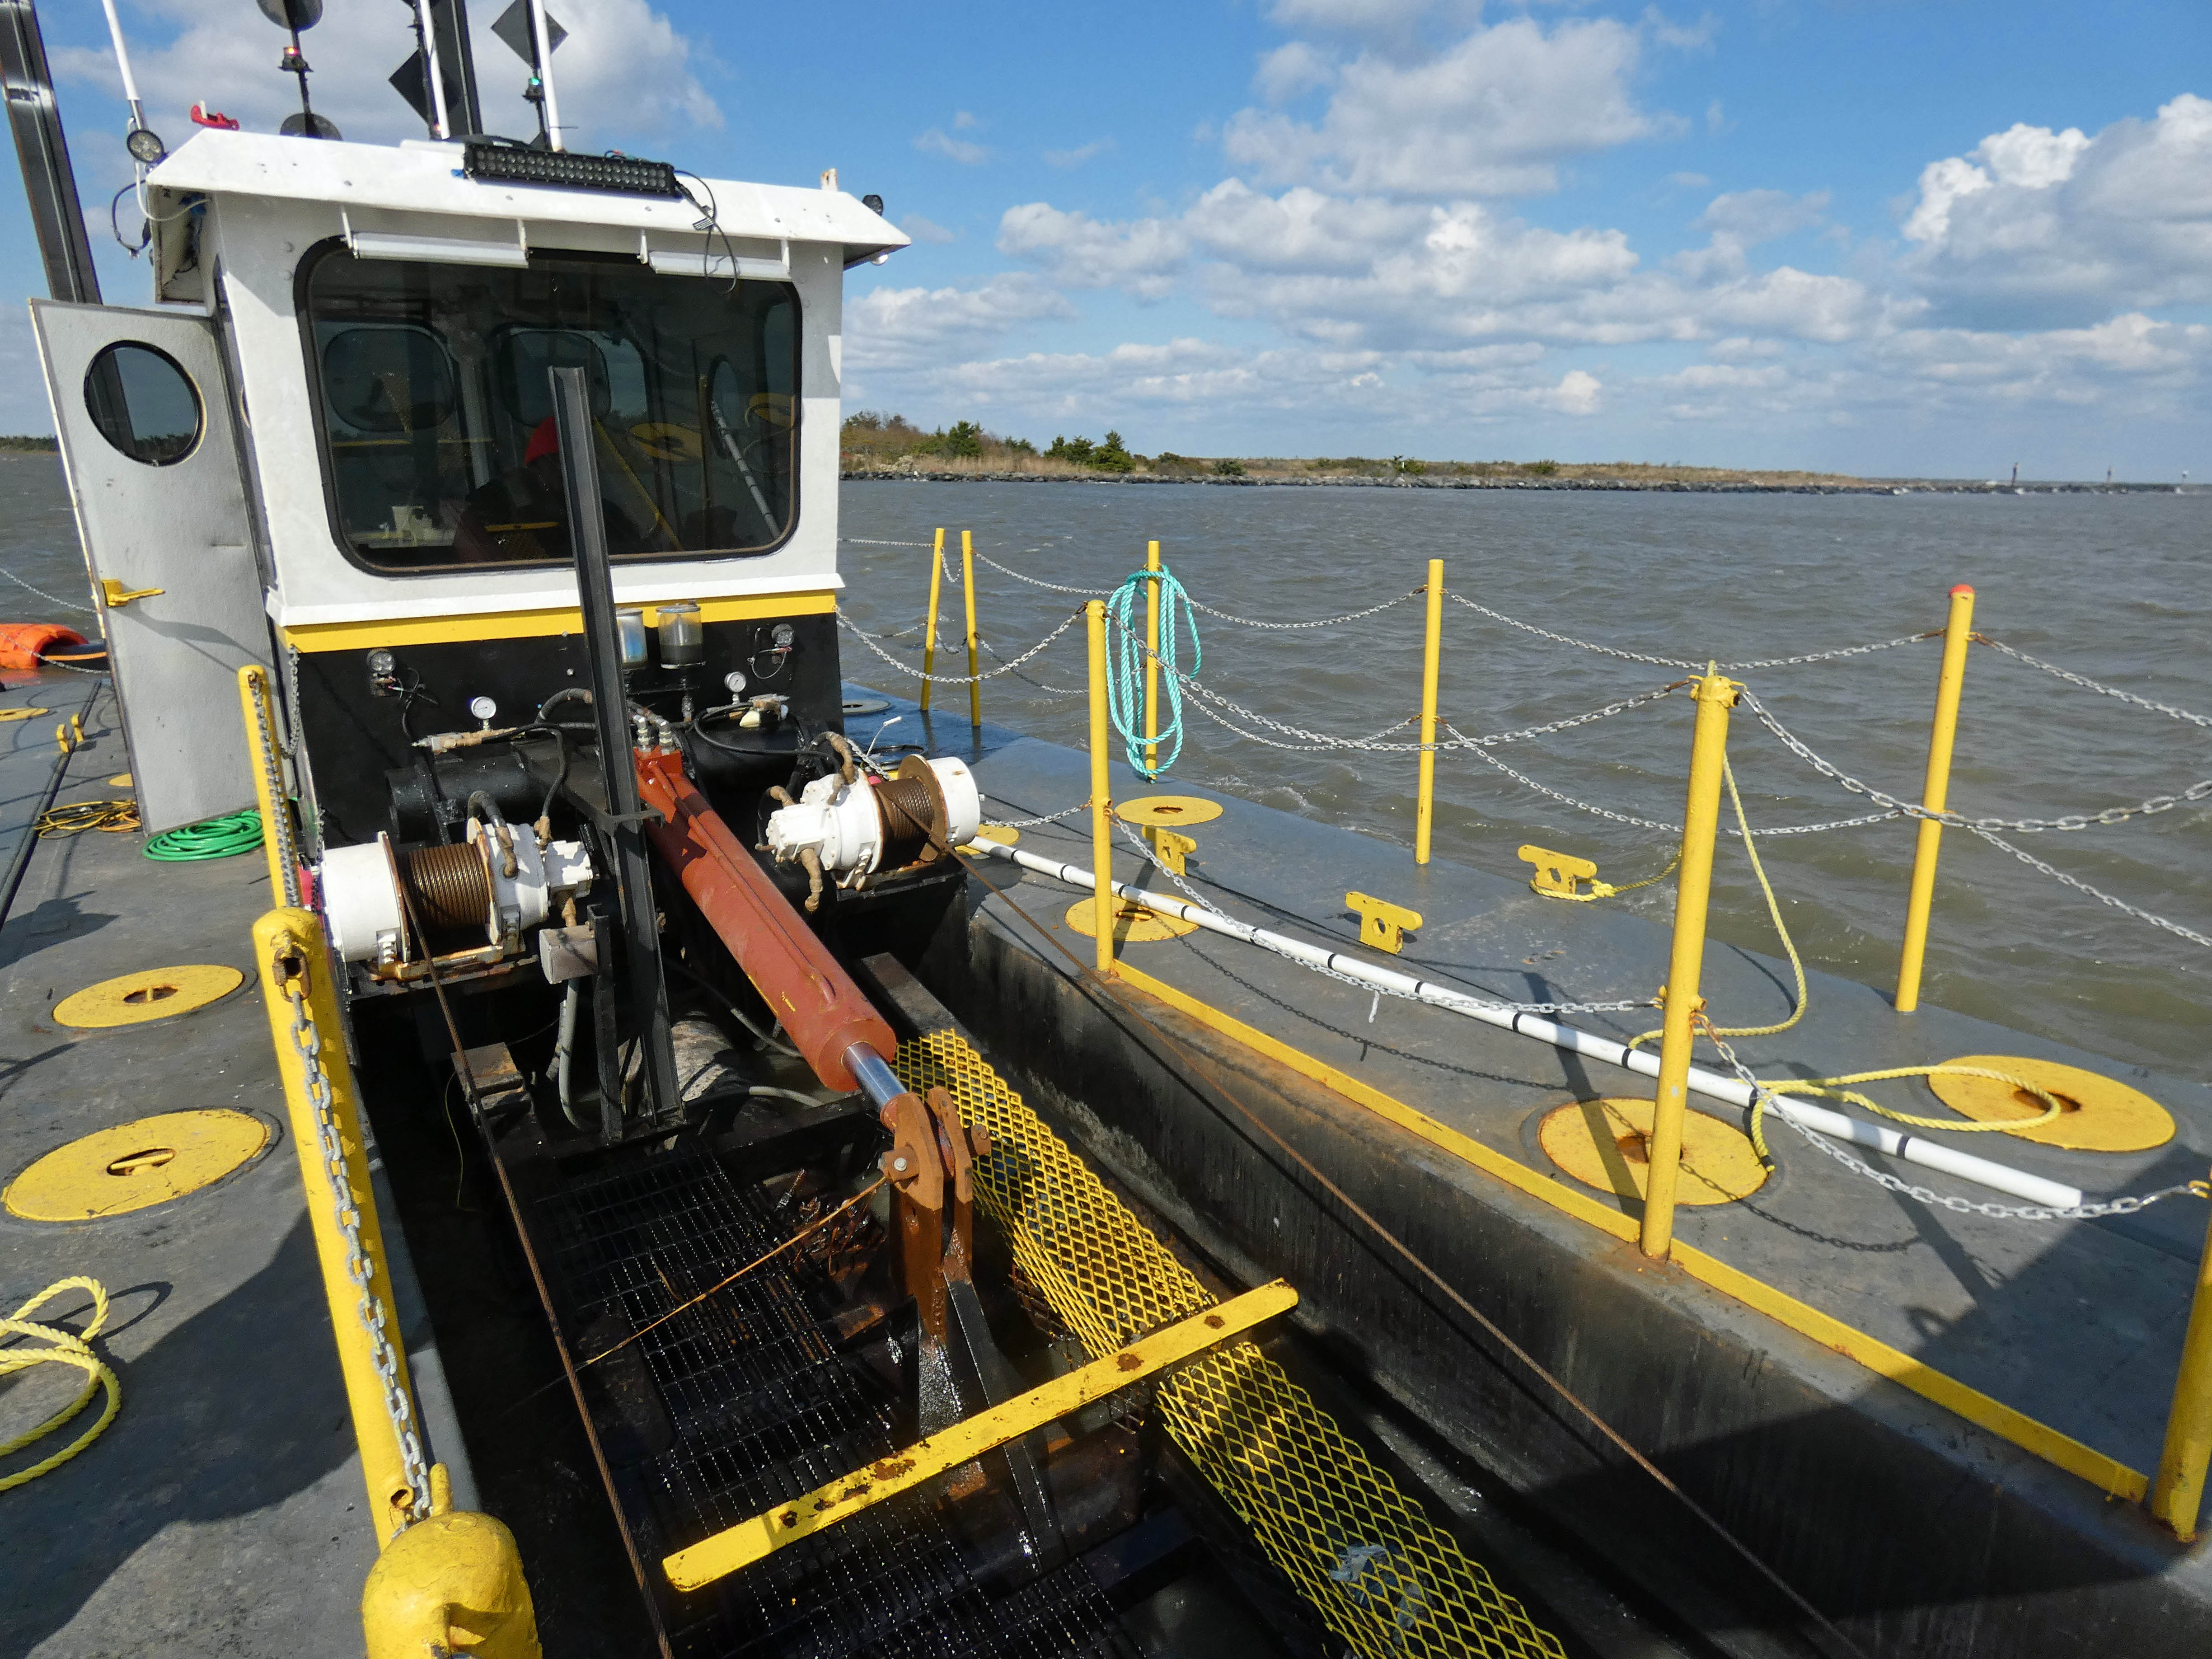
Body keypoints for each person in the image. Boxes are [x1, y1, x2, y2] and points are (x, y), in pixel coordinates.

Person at [450, 417, 644, 564]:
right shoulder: (494, 504)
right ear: (534, 467)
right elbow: (466, 536)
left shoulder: (607, 514)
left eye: (577, 462)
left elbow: (636, 558)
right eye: (557, 461)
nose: (566, 471)